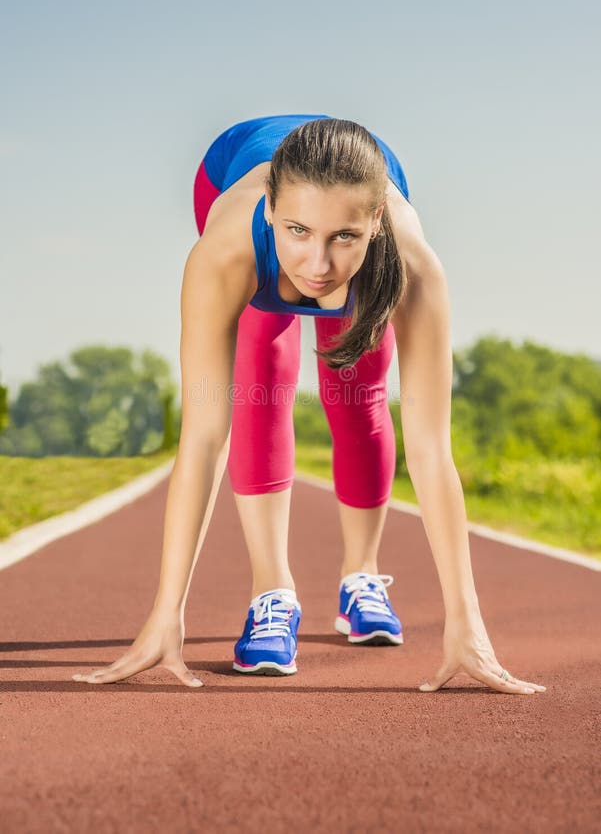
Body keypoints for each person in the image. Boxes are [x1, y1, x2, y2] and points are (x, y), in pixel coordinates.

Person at [73, 113, 545, 694]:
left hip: (361, 225)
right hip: (228, 172)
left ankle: (362, 576)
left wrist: (467, 624)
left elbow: (430, 449)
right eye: (298, 230)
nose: (317, 265)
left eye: (342, 237)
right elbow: (202, 437)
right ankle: (272, 591)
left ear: (375, 222)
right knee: (259, 387)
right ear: (271, 209)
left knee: (357, 395)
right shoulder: (225, 253)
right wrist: (165, 614)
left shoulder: (415, 268)